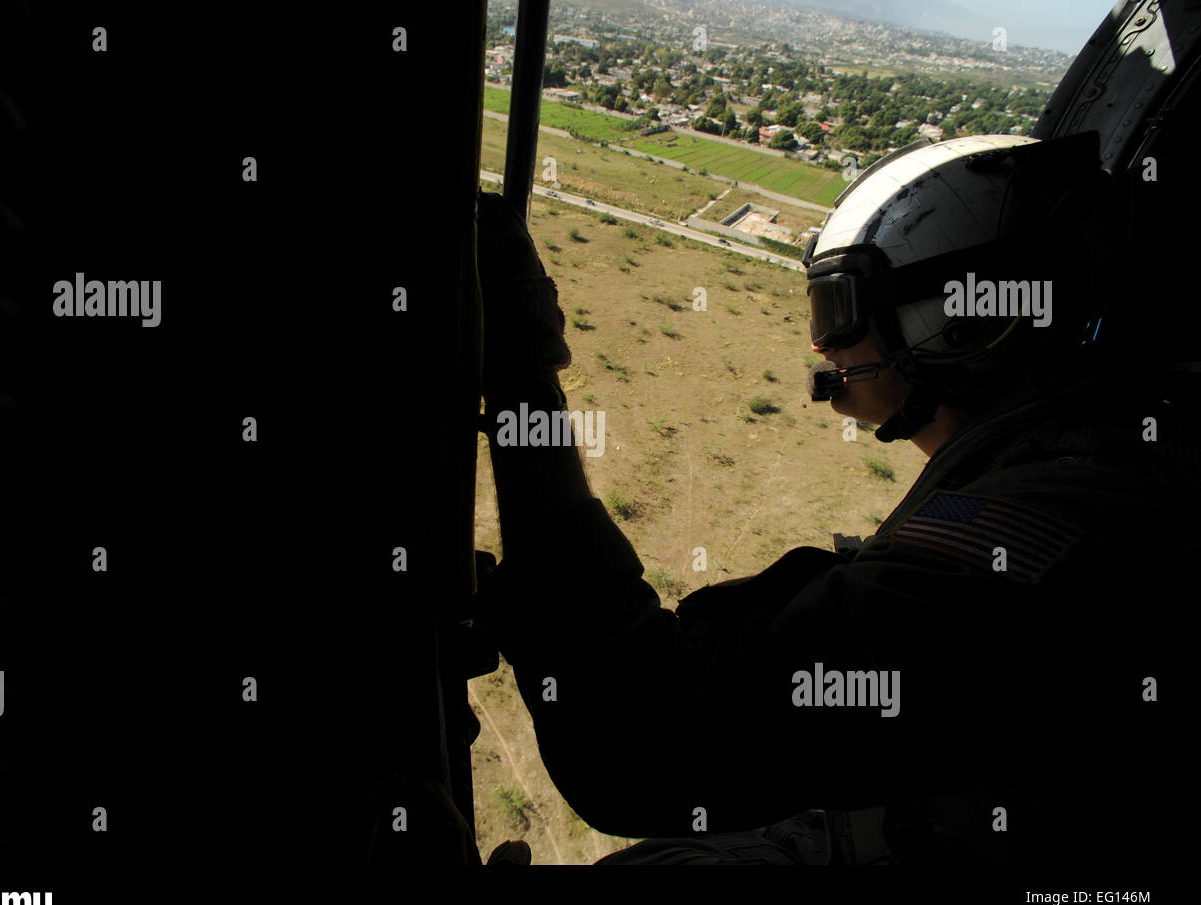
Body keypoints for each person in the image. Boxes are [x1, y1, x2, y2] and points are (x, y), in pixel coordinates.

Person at [473, 132, 1192, 865]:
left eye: (837, 310)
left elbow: (638, 741)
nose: (822, 347)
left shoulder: (1035, 539)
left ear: (960, 322)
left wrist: (523, 370)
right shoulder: (1081, 456)